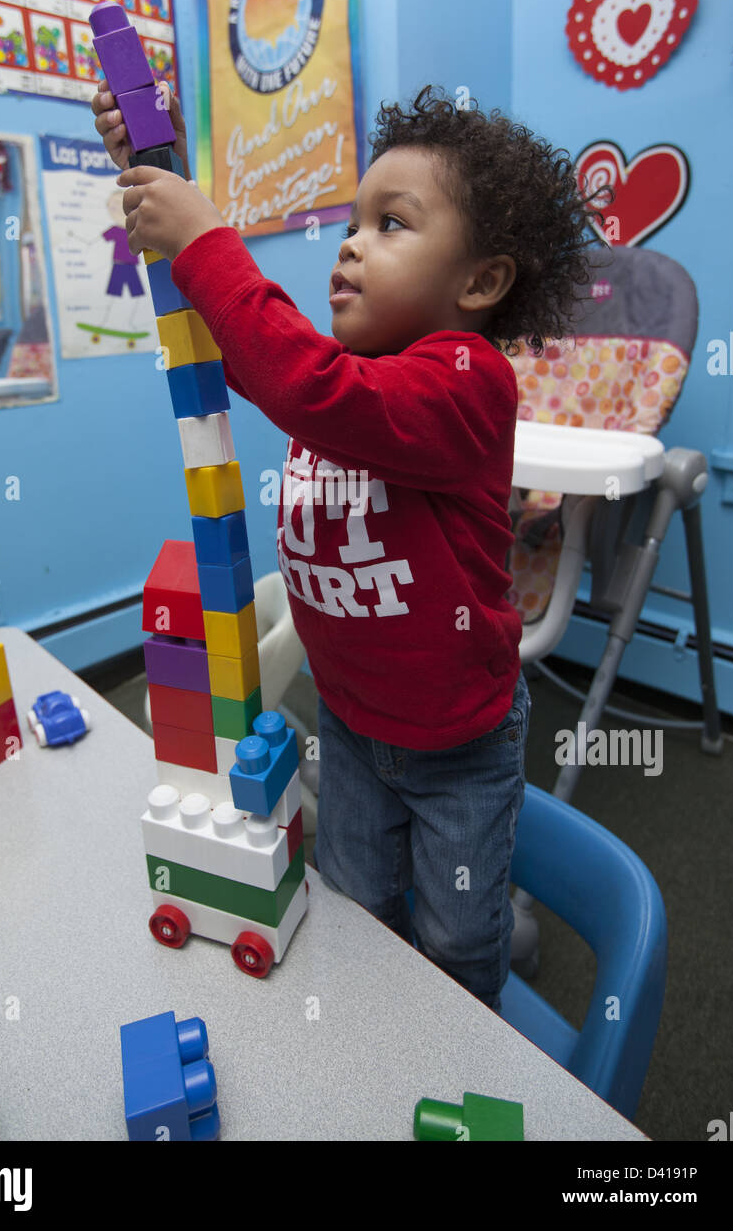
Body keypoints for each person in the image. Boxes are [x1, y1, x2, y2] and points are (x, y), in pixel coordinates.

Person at [92, 78, 596, 1013]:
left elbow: (302, 381)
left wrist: (208, 237)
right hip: (355, 730)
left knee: (452, 945)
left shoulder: (464, 381)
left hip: (457, 746)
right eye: (352, 223)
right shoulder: (337, 373)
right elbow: (246, 349)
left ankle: (460, 1050)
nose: (353, 243)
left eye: (392, 224)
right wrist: (158, 176)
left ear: (481, 282)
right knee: (360, 913)